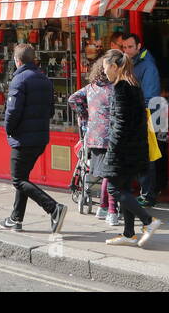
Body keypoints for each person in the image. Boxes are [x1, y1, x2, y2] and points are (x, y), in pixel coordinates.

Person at [0, 43, 68, 233]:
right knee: (23, 178)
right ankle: (16, 218)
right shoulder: (45, 80)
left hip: (23, 139)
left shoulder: (19, 80)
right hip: (40, 138)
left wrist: (9, 130)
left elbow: (12, 113)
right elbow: (51, 110)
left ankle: (53, 208)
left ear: (17, 60)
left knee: (18, 179)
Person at [96, 49, 161, 246]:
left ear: (115, 67)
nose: (104, 72)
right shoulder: (133, 84)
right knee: (125, 188)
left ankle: (149, 221)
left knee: (115, 189)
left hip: (123, 151)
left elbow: (120, 124)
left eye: (106, 68)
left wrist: (112, 151)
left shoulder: (121, 87)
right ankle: (128, 234)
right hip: (135, 149)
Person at [68, 59, 118, 224]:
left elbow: (73, 99)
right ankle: (108, 208)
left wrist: (85, 116)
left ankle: (104, 207)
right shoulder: (113, 89)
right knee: (109, 174)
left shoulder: (90, 89)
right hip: (109, 137)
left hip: (93, 137)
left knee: (106, 174)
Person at [115, 32, 161, 205]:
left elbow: (150, 97)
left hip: (145, 116)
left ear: (139, 46)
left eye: (130, 47)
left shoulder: (147, 66)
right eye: (124, 47)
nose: (126, 50)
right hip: (135, 115)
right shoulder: (131, 63)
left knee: (147, 156)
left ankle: (148, 195)